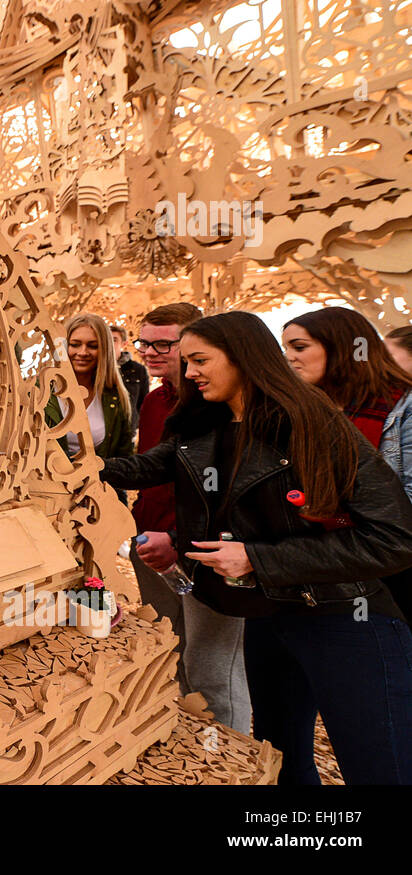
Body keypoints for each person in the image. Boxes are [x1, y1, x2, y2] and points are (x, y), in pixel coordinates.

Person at [101, 311, 412, 785]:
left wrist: (257, 559)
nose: (189, 373)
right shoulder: (206, 425)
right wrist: (57, 457)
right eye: (186, 362)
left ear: (244, 358)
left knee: (377, 766)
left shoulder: (313, 423)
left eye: (200, 360)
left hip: (346, 618)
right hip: (269, 617)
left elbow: (395, 538)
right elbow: (142, 469)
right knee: (282, 758)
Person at [124, 303, 250, 731]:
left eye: (166, 343)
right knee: (166, 648)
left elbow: (230, 496)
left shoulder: (225, 407)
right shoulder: (156, 401)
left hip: (204, 547)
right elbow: (151, 464)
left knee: (212, 665)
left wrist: (178, 539)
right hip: (151, 541)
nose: (152, 351)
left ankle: (226, 756)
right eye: (145, 342)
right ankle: (185, 742)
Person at [283, 306, 412, 618]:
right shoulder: (310, 410)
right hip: (333, 563)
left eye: (299, 347)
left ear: (341, 348)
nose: (289, 357)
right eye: (285, 348)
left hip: (394, 562)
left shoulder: (401, 408)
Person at [44, 313, 133, 460]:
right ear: (64, 346)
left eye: (92, 346)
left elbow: (124, 455)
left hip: (98, 481)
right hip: (45, 480)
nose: (83, 352)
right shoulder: (42, 390)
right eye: (75, 344)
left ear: (104, 350)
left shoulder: (116, 396)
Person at [112, 324, 148, 433]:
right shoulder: (94, 367)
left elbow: (143, 404)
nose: (109, 343)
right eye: (106, 339)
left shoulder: (138, 370)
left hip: (127, 434)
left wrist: (135, 424)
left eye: (114, 340)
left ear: (124, 344)